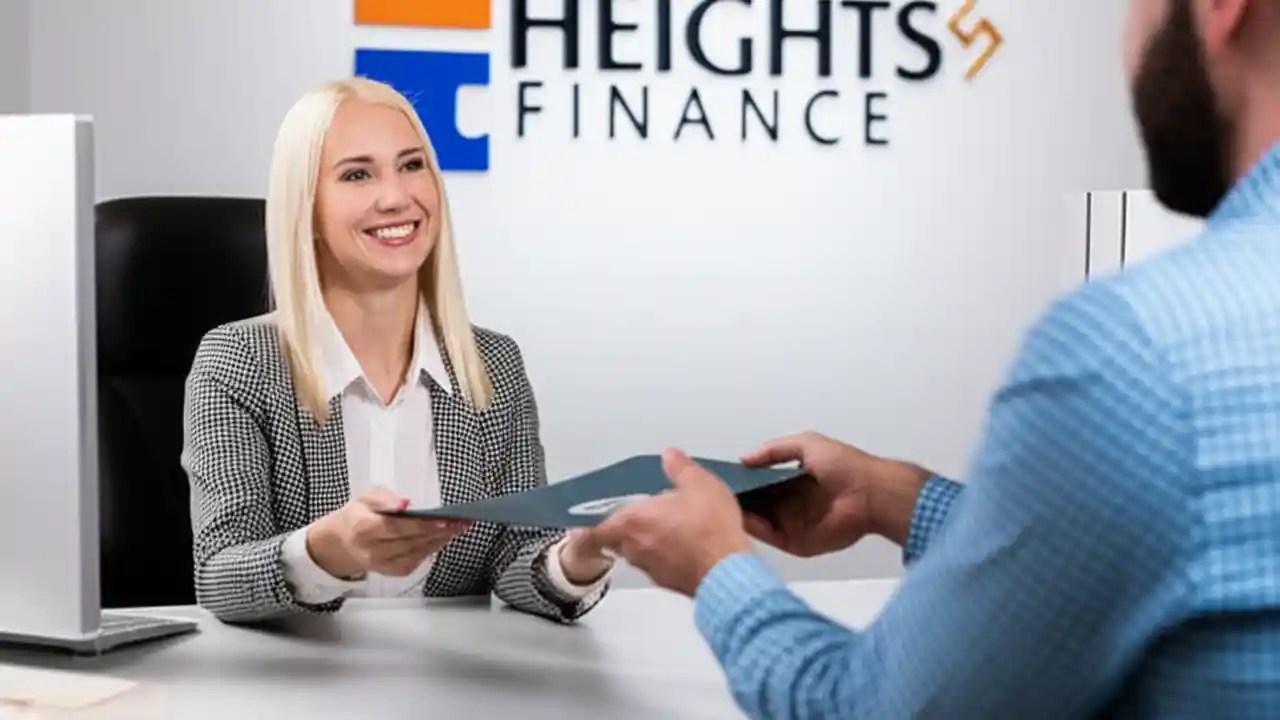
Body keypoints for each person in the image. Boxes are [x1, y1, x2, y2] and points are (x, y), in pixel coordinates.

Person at [585, 0, 1280, 716]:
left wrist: (716, 567)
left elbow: (869, 708)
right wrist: (898, 499)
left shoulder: (1143, 347)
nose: (1126, 44)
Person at [181, 77, 615, 624]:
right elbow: (220, 574)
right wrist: (329, 551)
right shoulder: (238, 362)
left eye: (412, 166)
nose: (396, 197)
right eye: (357, 174)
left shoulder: (492, 365)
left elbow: (515, 555)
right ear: (306, 212)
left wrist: (578, 557)